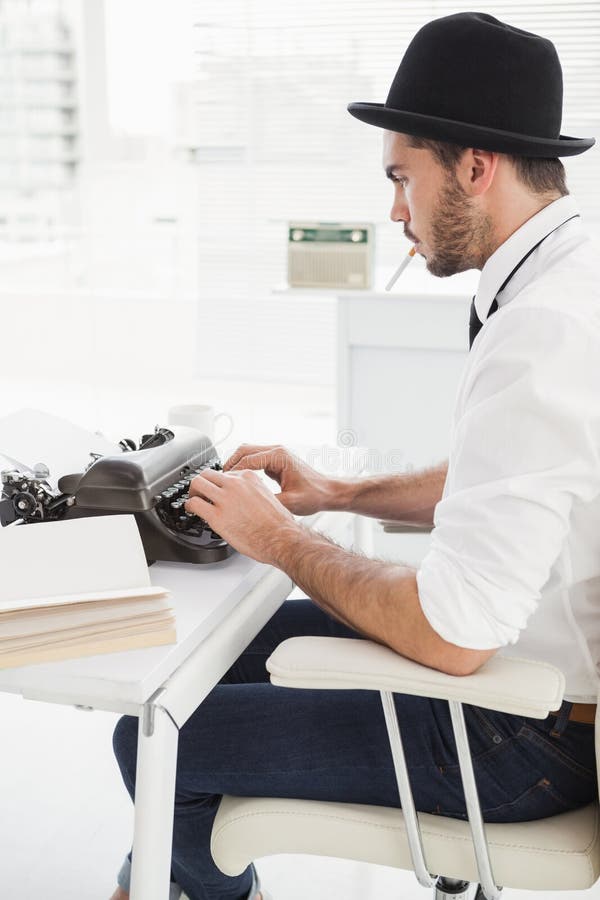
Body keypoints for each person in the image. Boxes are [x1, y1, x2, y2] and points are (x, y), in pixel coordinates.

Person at [110, 12, 599, 900]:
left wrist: (285, 543)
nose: (395, 211)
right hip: (531, 681)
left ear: (475, 166)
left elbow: (453, 637)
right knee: (229, 647)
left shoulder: (545, 327)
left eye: (402, 178)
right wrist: (338, 492)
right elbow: (514, 477)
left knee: (152, 736)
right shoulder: (572, 272)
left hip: (530, 735)